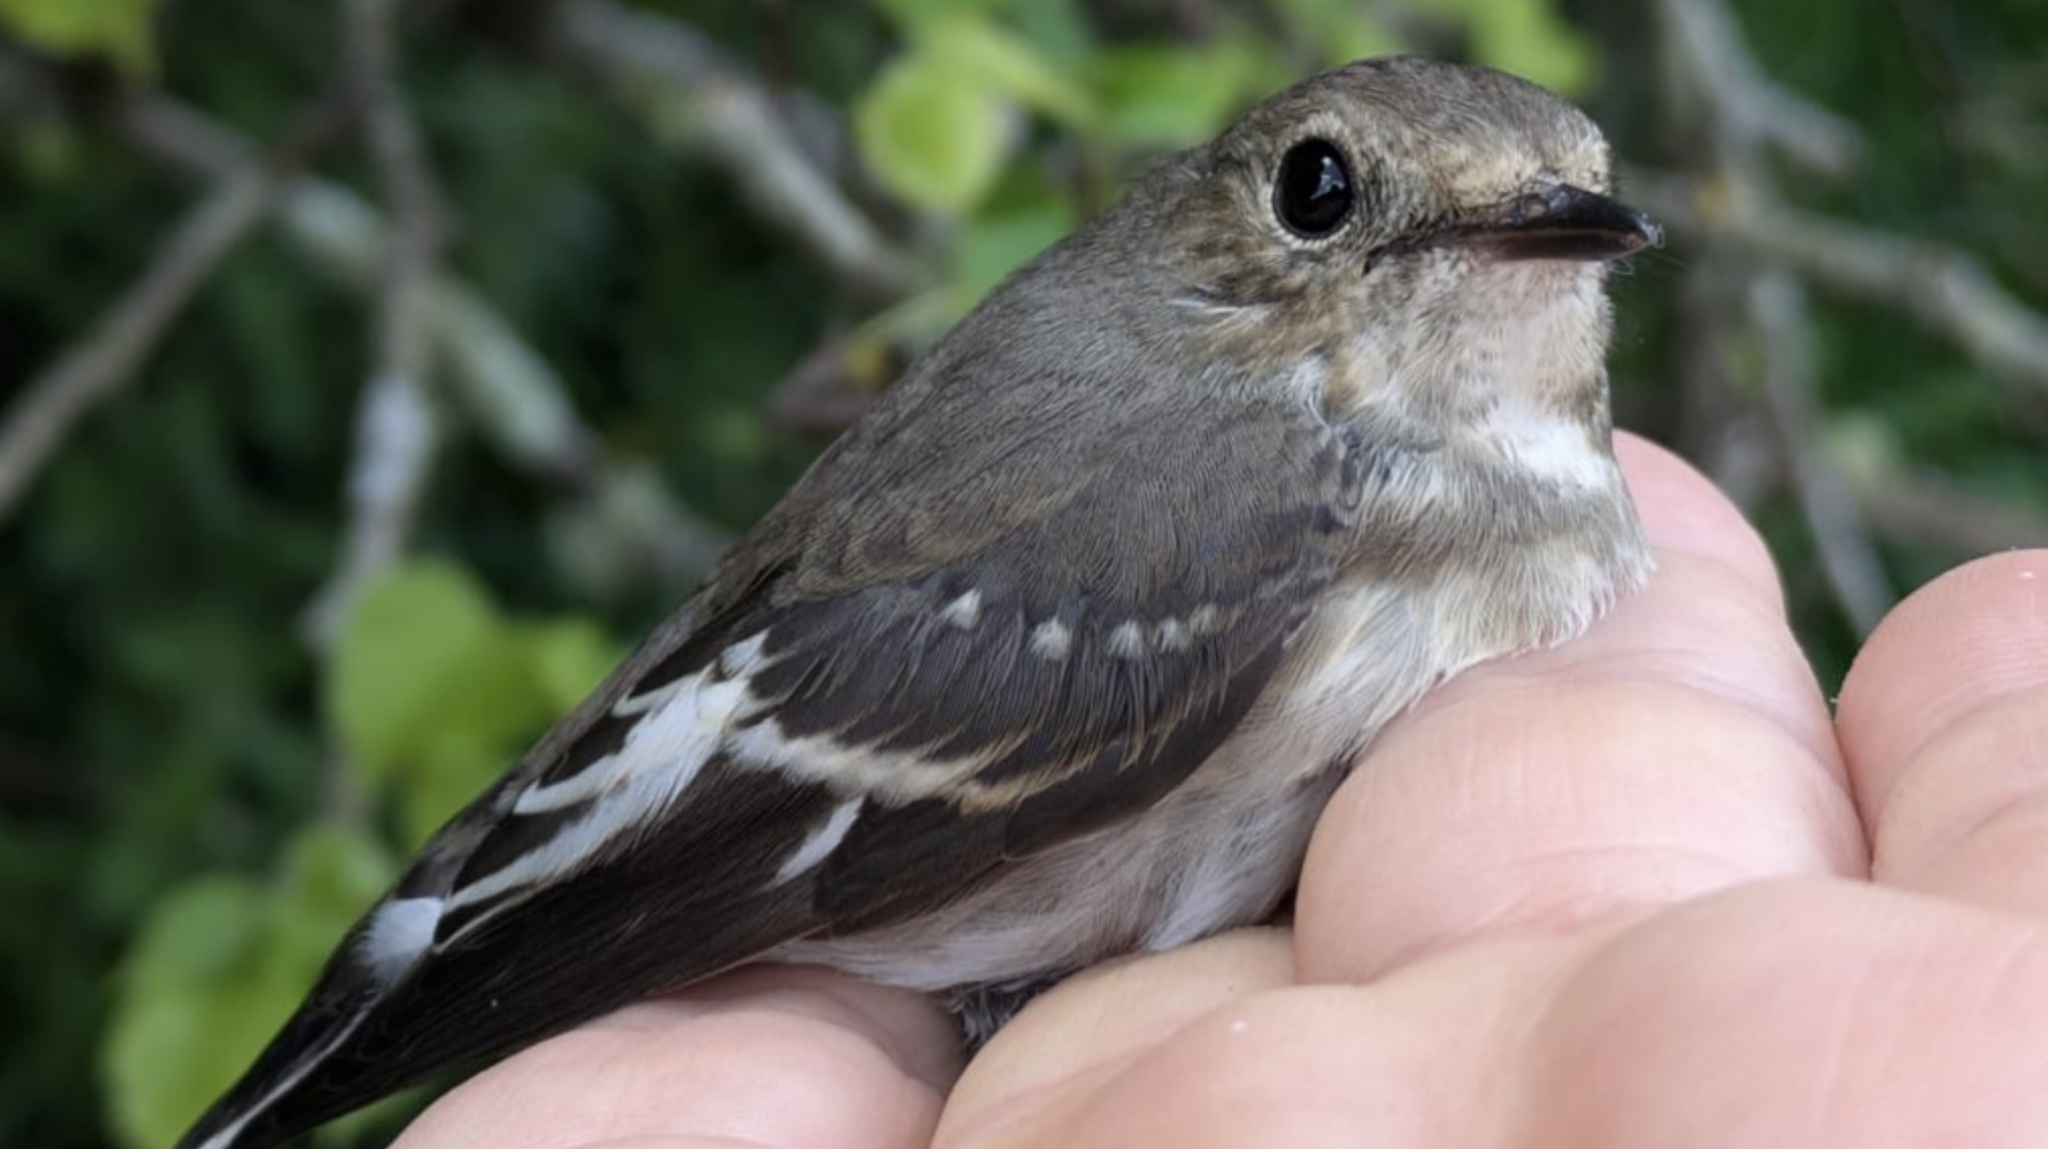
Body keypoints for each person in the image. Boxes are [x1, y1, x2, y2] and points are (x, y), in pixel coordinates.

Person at [391, 436, 2048, 1147]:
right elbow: (741, 803)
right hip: (744, 838)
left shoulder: (1508, 514)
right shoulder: (1236, 516)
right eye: (1329, 195)